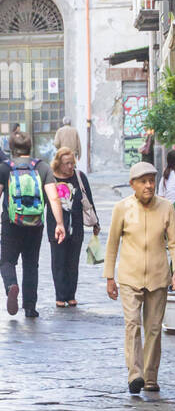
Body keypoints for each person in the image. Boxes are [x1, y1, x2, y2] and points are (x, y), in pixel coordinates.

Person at [104, 161, 175, 394]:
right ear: (133, 185)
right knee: (132, 325)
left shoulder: (166, 207)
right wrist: (110, 277)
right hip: (130, 276)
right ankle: (135, 375)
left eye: (151, 181)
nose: (149, 186)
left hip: (159, 276)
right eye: (143, 182)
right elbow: (112, 245)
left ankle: (150, 377)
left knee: (154, 328)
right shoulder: (122, 208)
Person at [0, 131, 66, 319]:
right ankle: (30, 307)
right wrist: (59, 223)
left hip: (11, 224)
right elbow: (53, 197)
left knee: (7, 261)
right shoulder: (42, 167)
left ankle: (11, 285)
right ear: (31, 146)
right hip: (35, 224)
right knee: (31, 265)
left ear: (11, 149)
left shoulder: (5, 168)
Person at [48, 147, 99, 308]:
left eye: (72, 163)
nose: (70, 166)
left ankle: (71, 295)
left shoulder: (79, 176)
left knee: (72, 261)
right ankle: (60, 295)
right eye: (66, 163)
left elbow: (88, 199)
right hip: (56, 225)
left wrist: (96, 222)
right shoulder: (50, 178)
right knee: (58, 260)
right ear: (58, 164)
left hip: (76, 225)